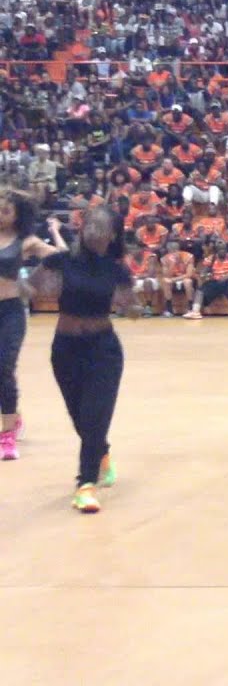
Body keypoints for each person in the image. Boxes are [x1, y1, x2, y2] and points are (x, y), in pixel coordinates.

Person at [29, 209, 141, 513]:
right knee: (80, 417)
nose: (92, 231)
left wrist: (133, 307)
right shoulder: (61, 261)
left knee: (94, 416)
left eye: (100, 227)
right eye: (89, 225)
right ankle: (101, 453)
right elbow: (32, 288)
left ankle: (86, 484)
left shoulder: (116, 271)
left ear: (113, 235)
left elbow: (131, 306)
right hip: (65, 349)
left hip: (103, 350)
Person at [0, 189, 68, 460]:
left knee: (3, 366)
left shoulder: (25, 241)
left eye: (6, 210)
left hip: (10, 312)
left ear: (18, 215)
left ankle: (6, 435)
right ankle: (13, 417)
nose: (0, 215)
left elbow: (62, 257)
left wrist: (55, 231)